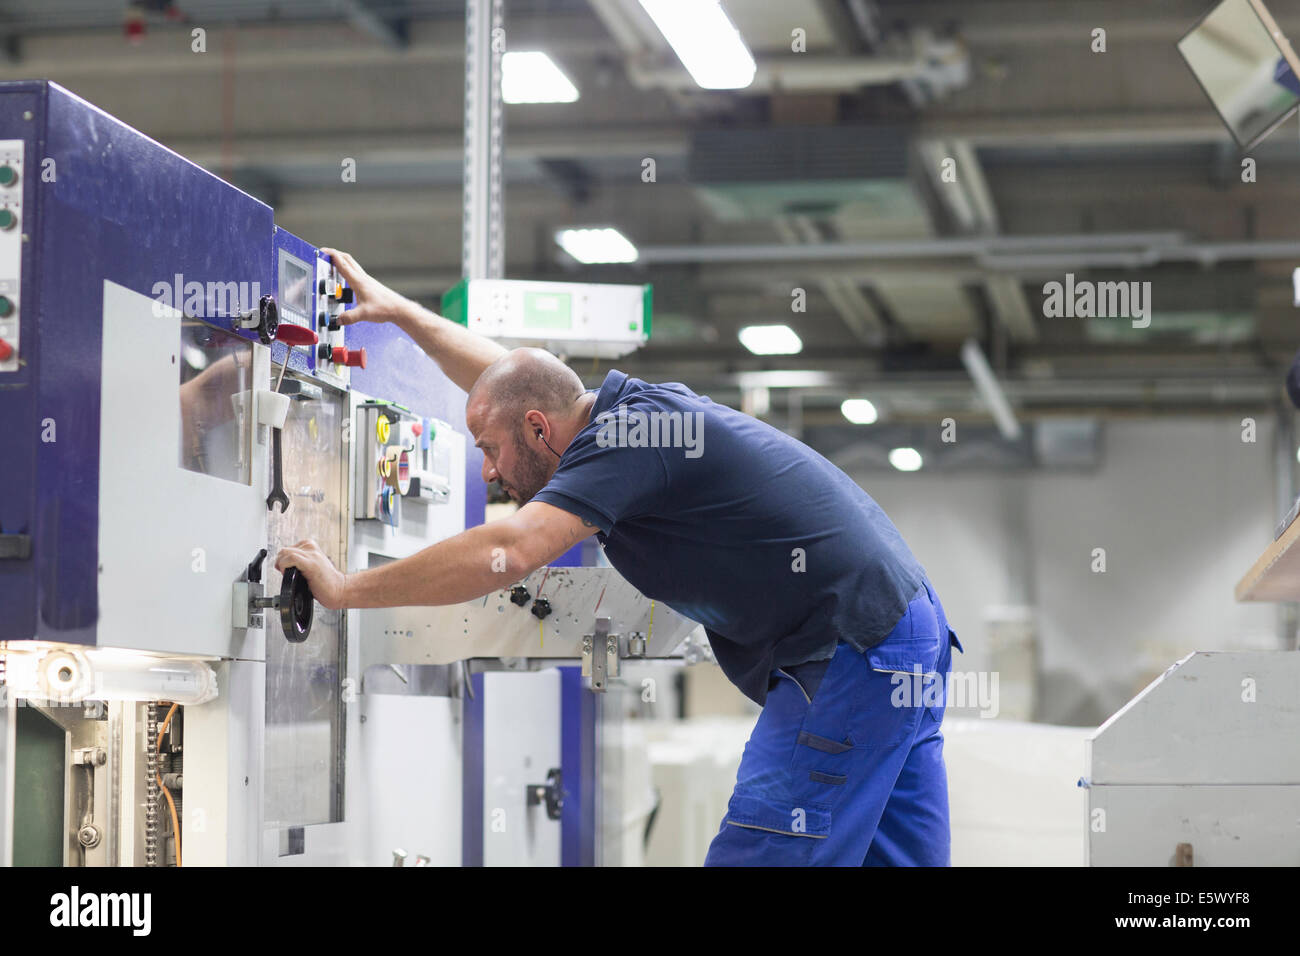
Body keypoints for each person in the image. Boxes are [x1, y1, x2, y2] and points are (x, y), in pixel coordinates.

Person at [276, 249, 963, 866]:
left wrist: (345, 588)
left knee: (763, 856)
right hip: (905, 631)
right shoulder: (618, 419)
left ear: (541, 431)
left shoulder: (624, 440)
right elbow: (504, 381)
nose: (486, 472)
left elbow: (509, 550)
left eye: (489, 449)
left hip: (850, 646)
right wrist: (397, 313)